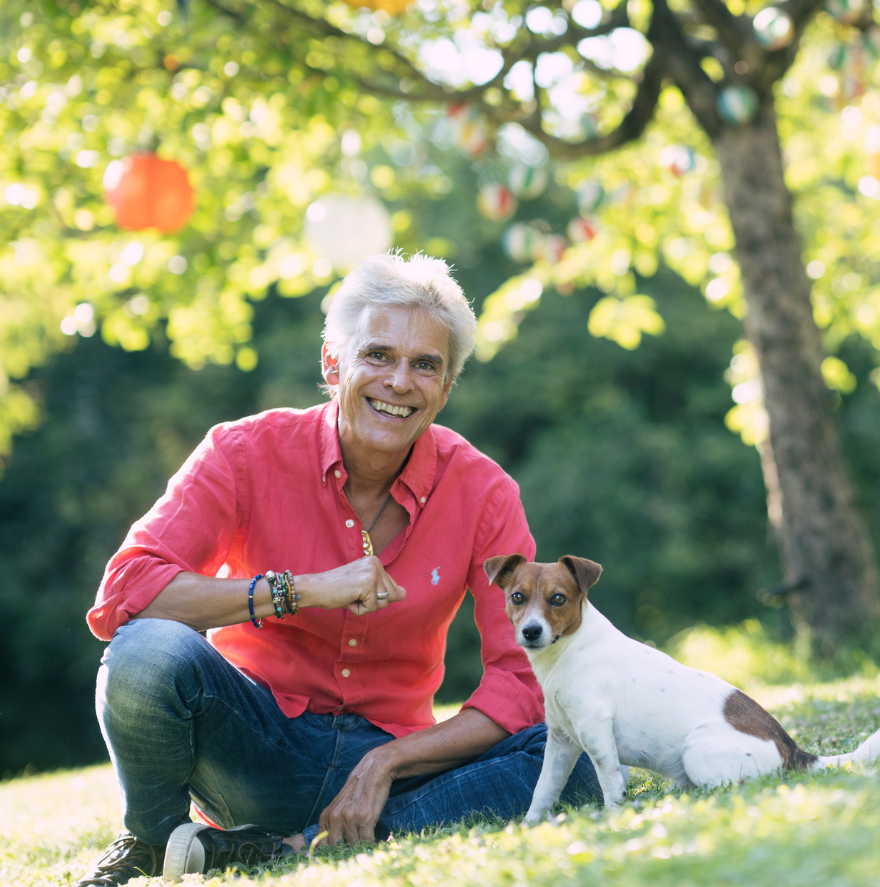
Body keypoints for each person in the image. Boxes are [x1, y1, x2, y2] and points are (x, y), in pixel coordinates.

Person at [77, 253, 600, 887]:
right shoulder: (241, 452)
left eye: (426, 365)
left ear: (446, 385)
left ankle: (282, 851)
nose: (400, 382)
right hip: (251, 746)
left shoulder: (485, 491)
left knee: (576, 757)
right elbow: (125, 593)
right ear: (333, 363)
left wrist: (387, 762)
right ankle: (155, 842)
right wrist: (300, 591)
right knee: (146, 652)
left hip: (395, 764)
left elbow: (522, 680)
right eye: (378, 355)